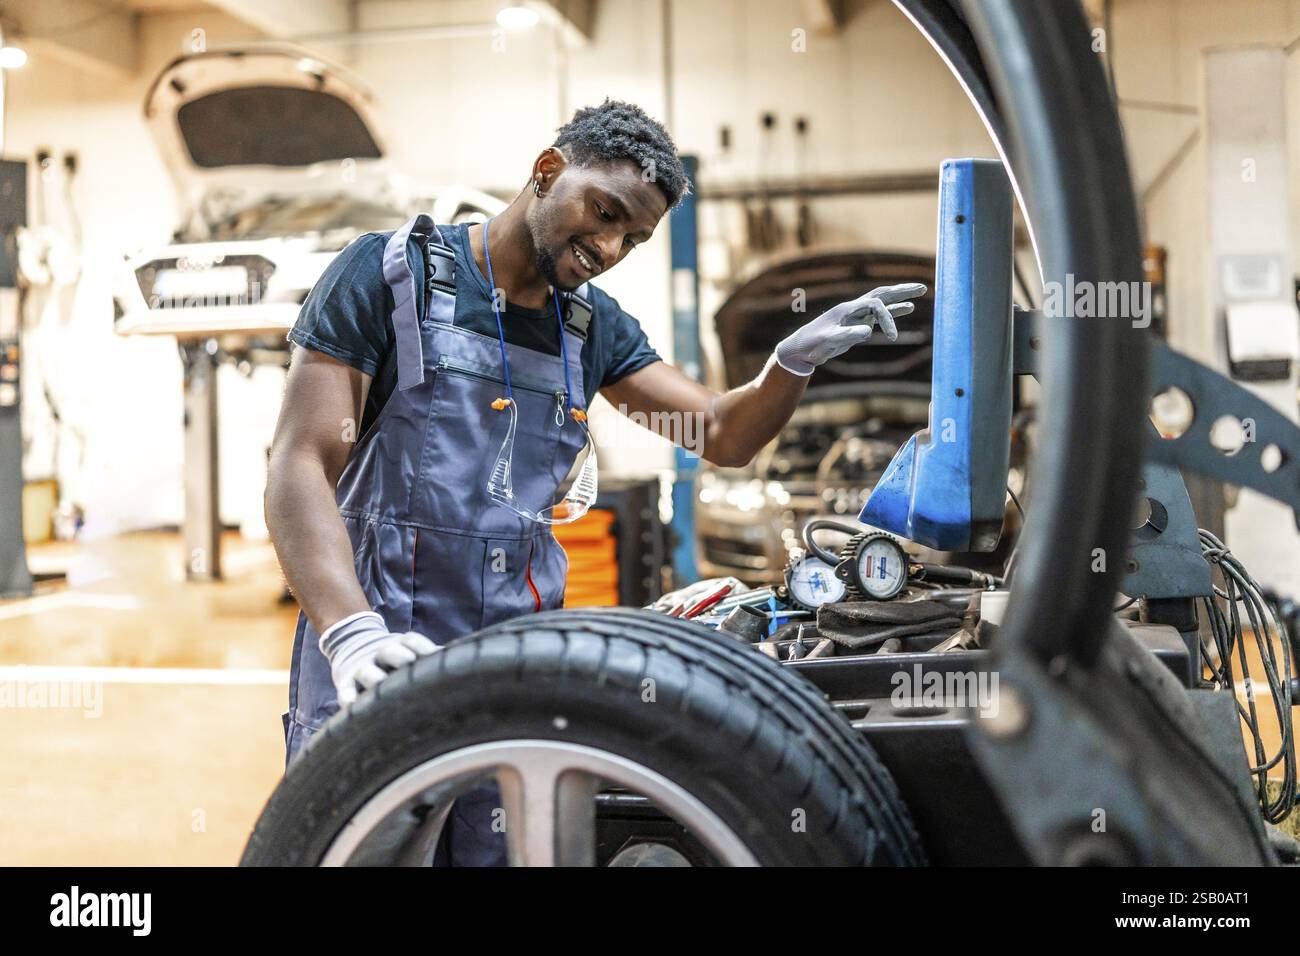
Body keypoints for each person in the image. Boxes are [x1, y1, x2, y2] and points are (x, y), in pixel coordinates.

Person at [264, 98, 925, 864]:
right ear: (548, 171)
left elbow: (718, 432)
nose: (610, 246)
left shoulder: (592, 329)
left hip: (512, 667)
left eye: (633, 237)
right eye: (604, 212)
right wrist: (349, 633)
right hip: (380, 649)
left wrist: (790, 364)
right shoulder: (389, 276)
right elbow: (301, 461)